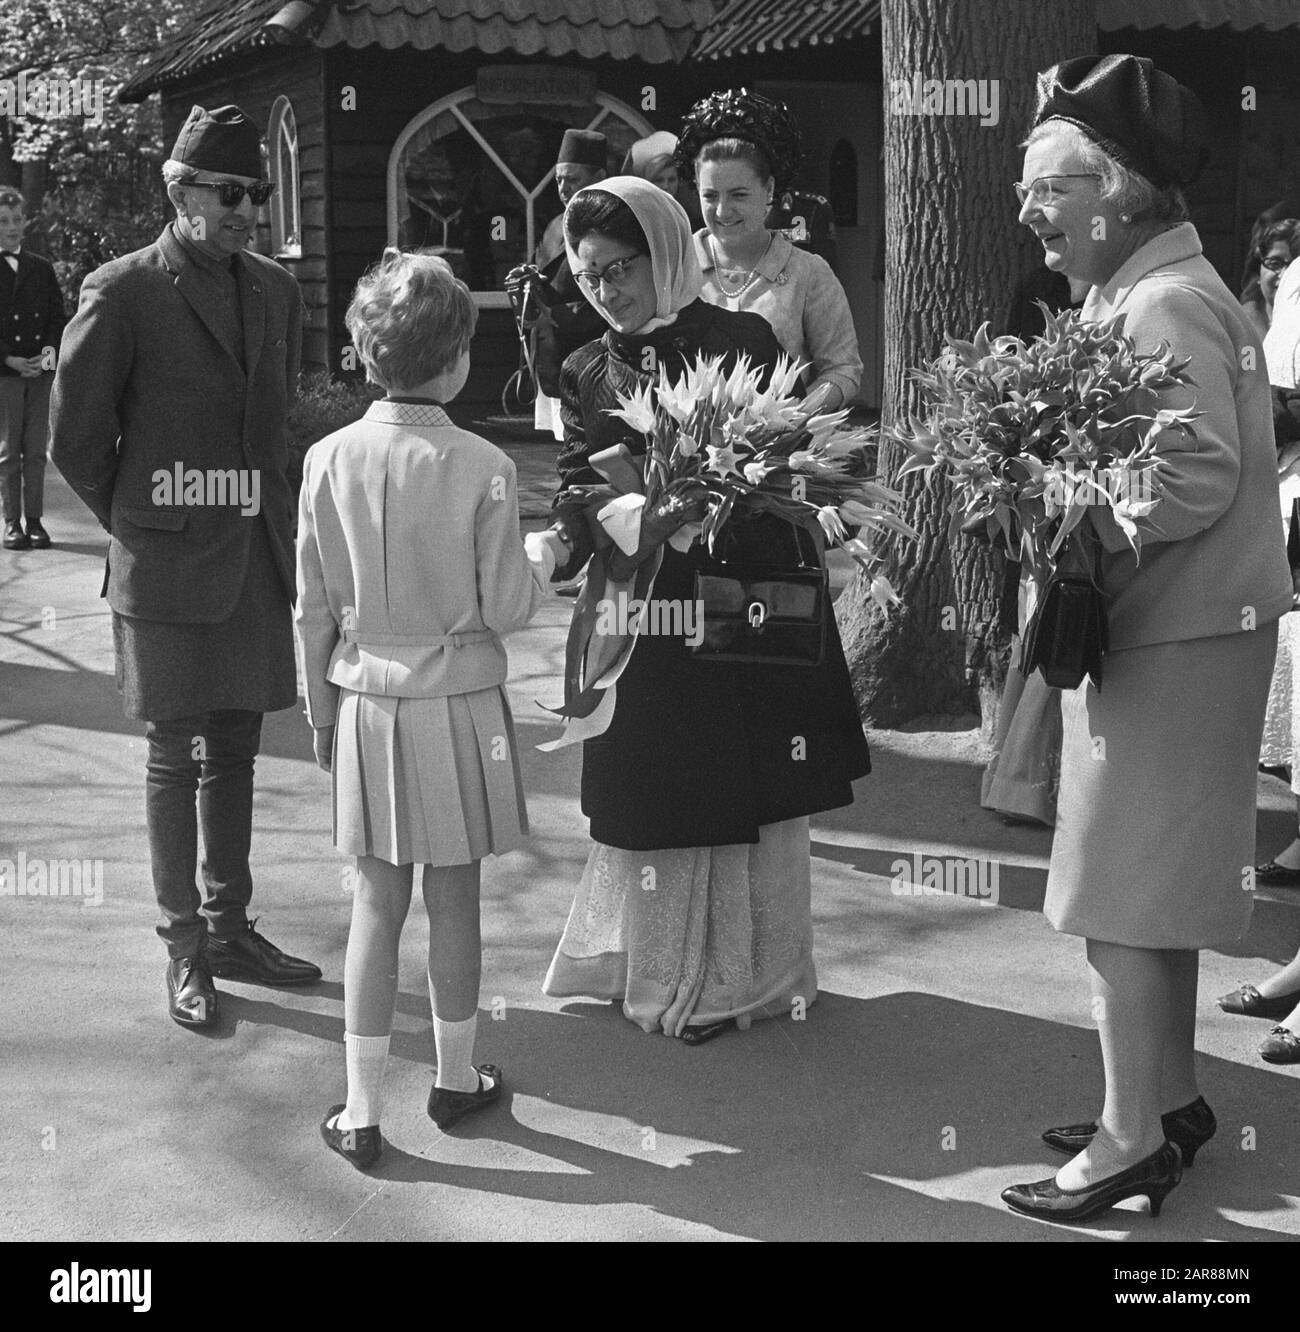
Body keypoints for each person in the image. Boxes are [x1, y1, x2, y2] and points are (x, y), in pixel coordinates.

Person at [998, 55, 1292, 1224]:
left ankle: (1130, 1141)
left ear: (1118, 191)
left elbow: (1191, 477)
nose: (1031, 214)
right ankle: (1164, 1103)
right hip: (1182, 637)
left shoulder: (1160, 300)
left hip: (1171, 641)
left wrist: (1044, 489)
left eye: (1048, 191)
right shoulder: (1157, 288)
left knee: (1115, 896)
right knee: (1149, 891)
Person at [540, 176, 871, 1042]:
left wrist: (710, 509)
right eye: (588, 277)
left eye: (619, 270)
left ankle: (745, 977)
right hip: (642, 607)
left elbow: (785, 457)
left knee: (740, 779)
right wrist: (597, 522)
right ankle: (661, 971)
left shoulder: (741, 337)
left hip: (735, 594)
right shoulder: (583, 364)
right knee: (659, 787)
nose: (605, 291)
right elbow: (576, 476)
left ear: (663, 254)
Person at [50, 104, 321, 1029]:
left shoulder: (276, 291)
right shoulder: (122, 291)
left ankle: (231, 923)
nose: (249, 209)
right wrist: (142, 522)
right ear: (180, 190)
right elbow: (77, 441)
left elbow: (274, 428)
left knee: (237, 746)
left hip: (250, 558)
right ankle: (183, 946)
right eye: (231, 192)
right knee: (178, 754)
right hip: (166, 564)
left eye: (260, 193)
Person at [298, 251, 564, 1169]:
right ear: (456, 363)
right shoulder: (484, 463)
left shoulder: (326, 458)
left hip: (366, 697)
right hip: (461, 706)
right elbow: (507, 608)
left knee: (376, 900)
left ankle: (362, 1109)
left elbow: (313, 604)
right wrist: (544, 556)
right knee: (456, 896)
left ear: (367, 357)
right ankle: (456, 1079)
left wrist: (319, 709)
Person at [676, 89, 861, 414]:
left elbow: (843, 368)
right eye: (710, 196)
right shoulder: (675, 264)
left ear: (770, 190)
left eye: (738, 195)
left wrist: (788, 421)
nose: (722, 211)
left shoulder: (809, 273)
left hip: (775, 458)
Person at [980, 272, 1087, 828]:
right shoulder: (1036, 287)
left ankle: (1030, 785)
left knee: (1055, 628)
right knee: (1042, 627)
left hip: (1078, 492)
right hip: (1039, 499)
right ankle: (1023, 785)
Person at [506, 129, 609, 443]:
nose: (563, 188)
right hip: (554, 356)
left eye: (572, 179)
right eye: (559, 180)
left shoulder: (612, 225)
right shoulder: (556, 224)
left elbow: (614, 294)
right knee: (564, 446)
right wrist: (526, 284)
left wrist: (556, 314)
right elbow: (548, 283)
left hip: (597, 360)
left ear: (599, 177)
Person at [0, 186, 66, 550]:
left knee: (37, 450)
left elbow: (57, 318)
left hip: (39, 372)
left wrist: (46, 358)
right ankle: (12, 523)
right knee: (10, 451)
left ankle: (36, 522)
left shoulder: (41, 268)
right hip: (7, 372)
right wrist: (8, 358)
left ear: (25, 222)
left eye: (16, 219)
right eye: (3, 221)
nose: (11, 227)